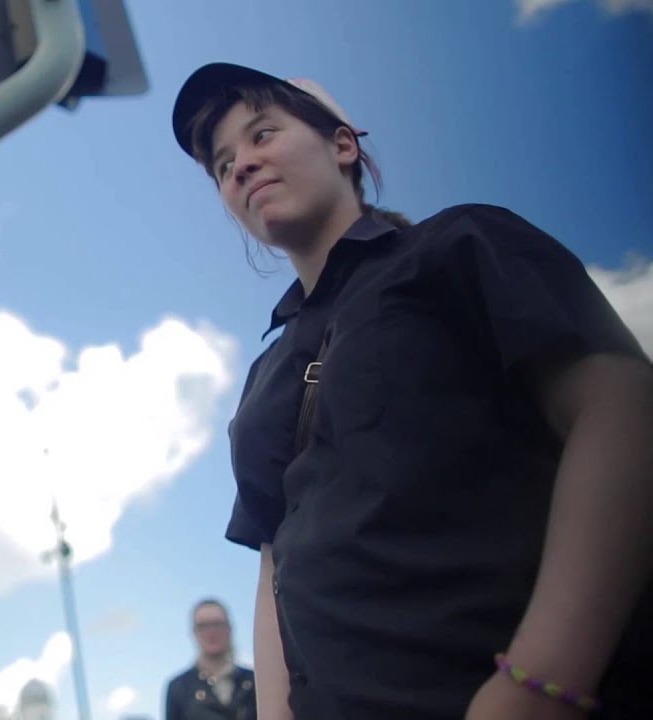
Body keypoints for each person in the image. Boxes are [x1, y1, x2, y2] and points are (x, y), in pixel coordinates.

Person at [169, 62, 653, 719]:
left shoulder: (460, 246)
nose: (241, 167)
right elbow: (273, 563)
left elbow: (621, 408)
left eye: (262, 135)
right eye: (224, 165)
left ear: (343, 145)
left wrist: (538, 683)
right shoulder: (264, 377)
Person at [165, 599, 258, 720]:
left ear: (229, 629)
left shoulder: (255, 682)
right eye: (203, 626)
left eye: (217, 624)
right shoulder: (178, 688)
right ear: (194, 633)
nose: (211, 632)